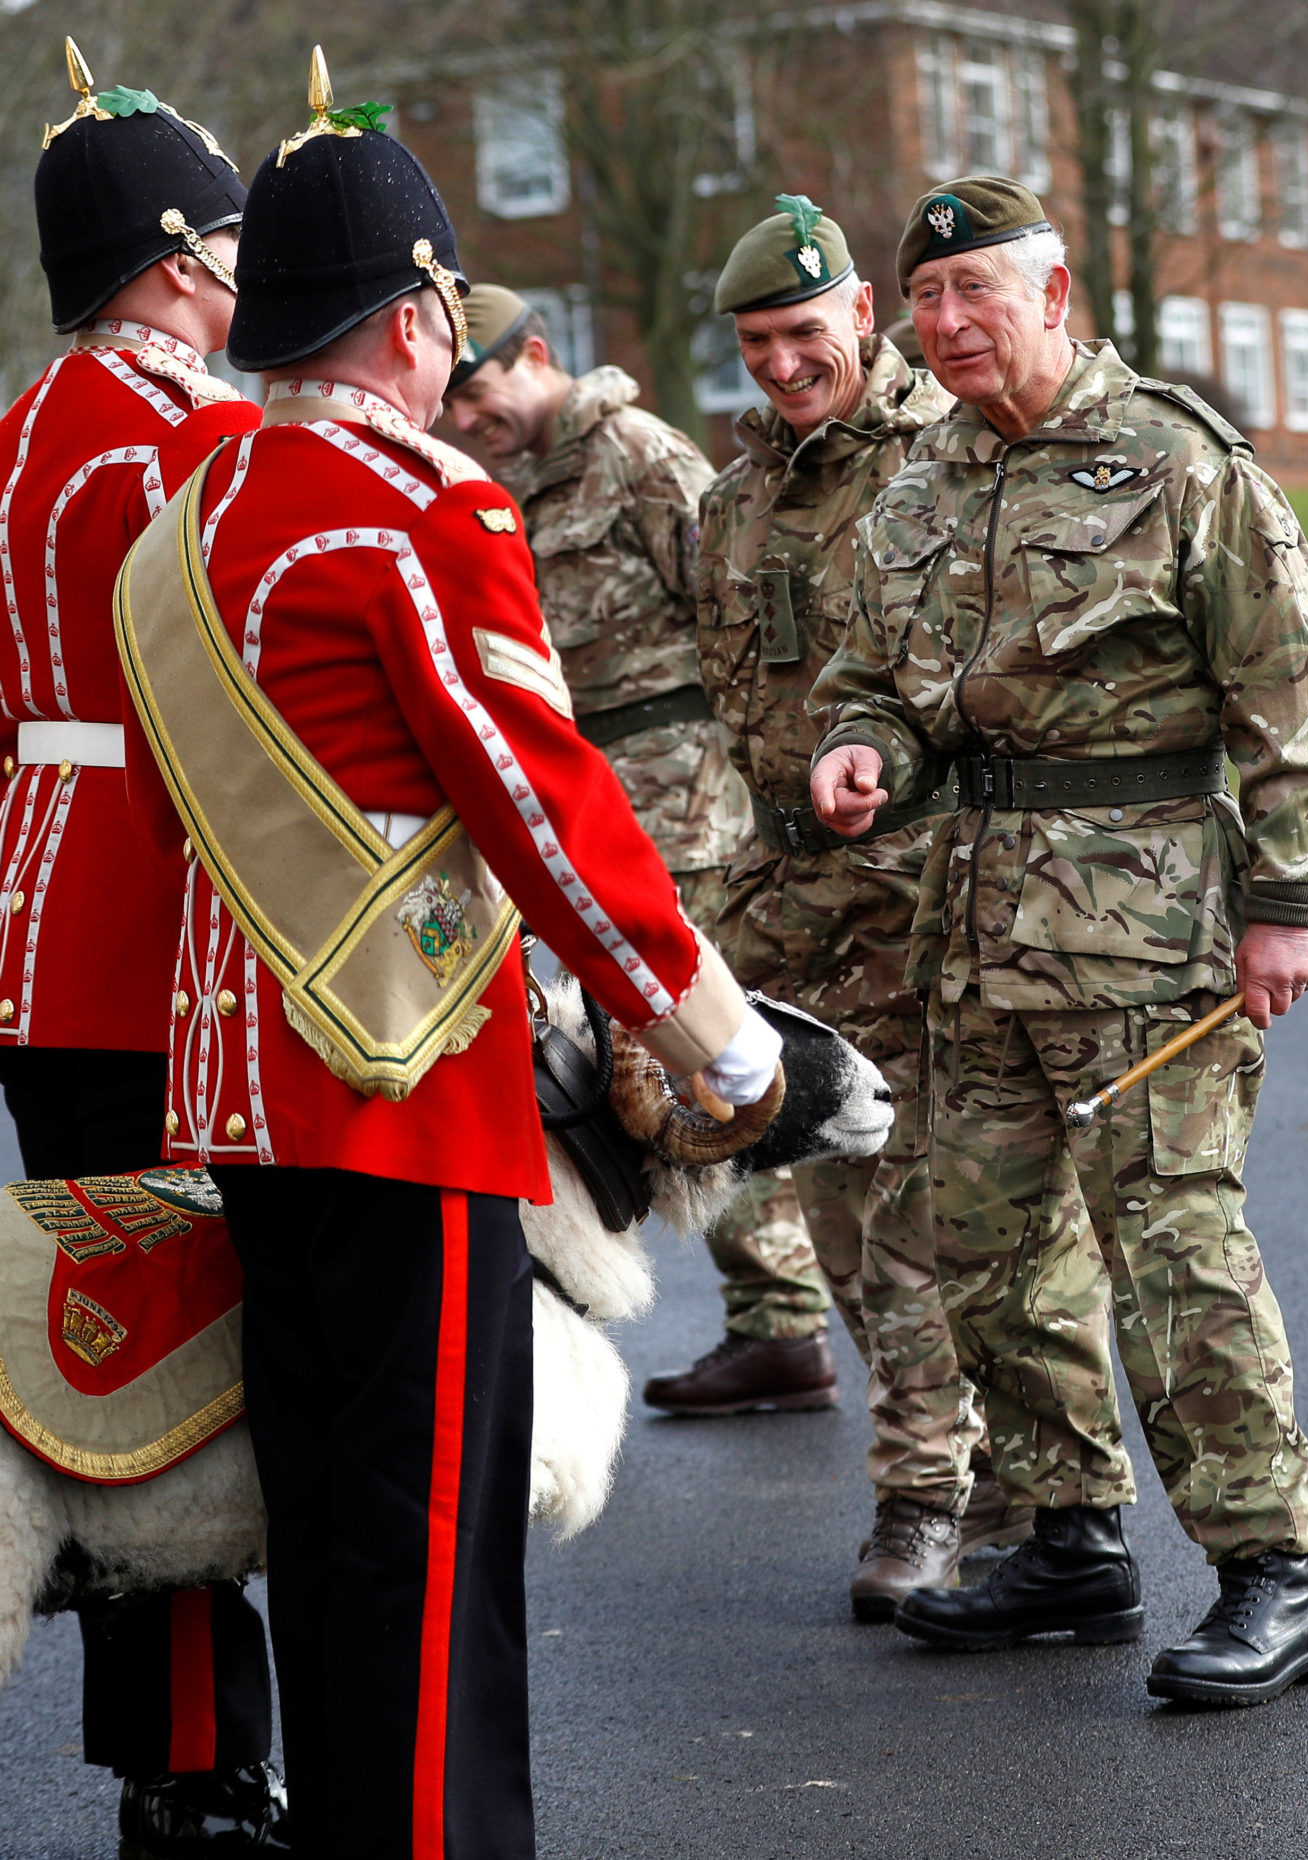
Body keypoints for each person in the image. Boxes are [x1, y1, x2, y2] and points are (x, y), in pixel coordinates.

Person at [116, 54, 785, 1858]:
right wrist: (708, 1029)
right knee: (425, 1552)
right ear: (415, 311)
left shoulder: (183, 526)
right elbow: (538, 797)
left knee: (328, 1526)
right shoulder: (416, 508)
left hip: (244, 1084)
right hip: (401, 1084)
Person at [810, 173, 1308, 1705]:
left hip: (1145, 938)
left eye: (974, 292)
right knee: (982, 1251)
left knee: (1175, 1256)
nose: (944, 323)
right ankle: (1068, 1540)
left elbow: (1292, 703)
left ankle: (1272, 1573)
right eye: (923, 300)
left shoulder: (1179, 461)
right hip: (969, 933)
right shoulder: (919, 484)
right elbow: (874, 679)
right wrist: (859, 751)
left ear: (1052, 298)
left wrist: (1283, 904)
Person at [0, 41, 284, 1854]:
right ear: (180, 259)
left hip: (31, 921)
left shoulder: (20, 429)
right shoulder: (201, 441)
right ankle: (194, 1765)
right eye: (235, 242)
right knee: (176, 1371)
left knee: (86, 1347)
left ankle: (163, 1755)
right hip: (156, 938)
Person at [695, 191, 1030, 1618]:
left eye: (800, 332)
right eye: (755, 342)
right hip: (780, 900)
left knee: (930, 1216)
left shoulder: (945, 462)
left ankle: (935, 1502)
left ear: (860, 315)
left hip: (918, 884)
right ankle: (987, 1490)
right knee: (832, 1209)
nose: (778, 363)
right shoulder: (733, 493)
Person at [445, 289, 838, 1413]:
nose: (466, 417)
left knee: (704, 1061)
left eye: (480, 393)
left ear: (537, 355)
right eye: (453, 400)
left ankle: (782, 1324)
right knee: (603, 1074)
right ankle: (751, 1313)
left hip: (679, 811)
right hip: (566, 811)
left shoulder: (638, 456)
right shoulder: (491, 484)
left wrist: (757, 785)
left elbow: (736, 625)